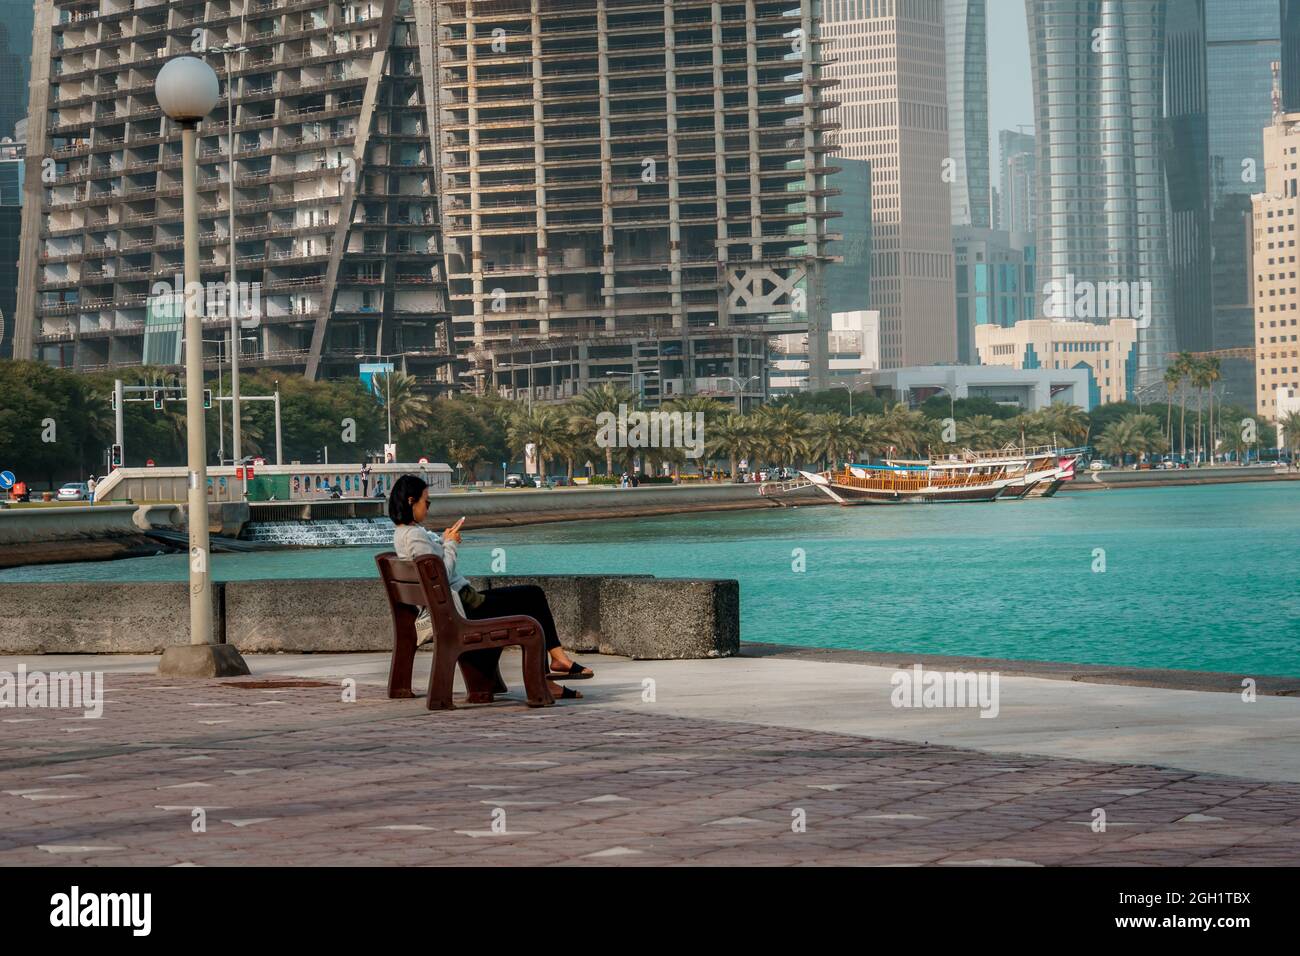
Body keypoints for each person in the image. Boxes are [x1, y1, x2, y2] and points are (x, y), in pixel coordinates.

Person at [389, 475, 593, 700]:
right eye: (426, 502)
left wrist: (443, 540)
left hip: (459, 604)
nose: (428, 507)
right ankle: (556, 664)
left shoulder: (402, 534)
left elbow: (432, 568)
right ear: (411, 501)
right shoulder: (415, 536)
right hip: (464, 608)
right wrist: (450, 544)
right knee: (532, 597)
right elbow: (442, 575)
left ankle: (554, 666)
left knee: (530, 596)